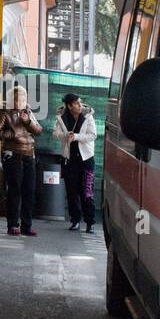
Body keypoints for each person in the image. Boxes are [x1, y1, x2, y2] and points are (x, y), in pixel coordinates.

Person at [0, 84, 41, 236]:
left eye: (23, 98)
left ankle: (27, 226)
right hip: (12, 154)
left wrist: (27, 121)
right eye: (18, 98)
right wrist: (13, 135)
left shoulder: (28, 112)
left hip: (29, 154)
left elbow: (38, 130)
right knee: (15, 190)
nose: (21, 101)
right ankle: (13, 225)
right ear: (12, 99)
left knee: (29, 191)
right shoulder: (5, 112)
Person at [53, 93, 97, 233]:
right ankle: (75, 220)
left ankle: (90, 222)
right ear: (69, 106)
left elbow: (93, 135)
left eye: (80, 102)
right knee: (72, 192)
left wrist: (76, 137)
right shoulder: (61, 117)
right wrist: (66, 135)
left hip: (86, 159)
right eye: (77, 103)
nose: (80, 105)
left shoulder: (88, 116)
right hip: (69, 158)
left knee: (87, 191)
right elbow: (55, 134)